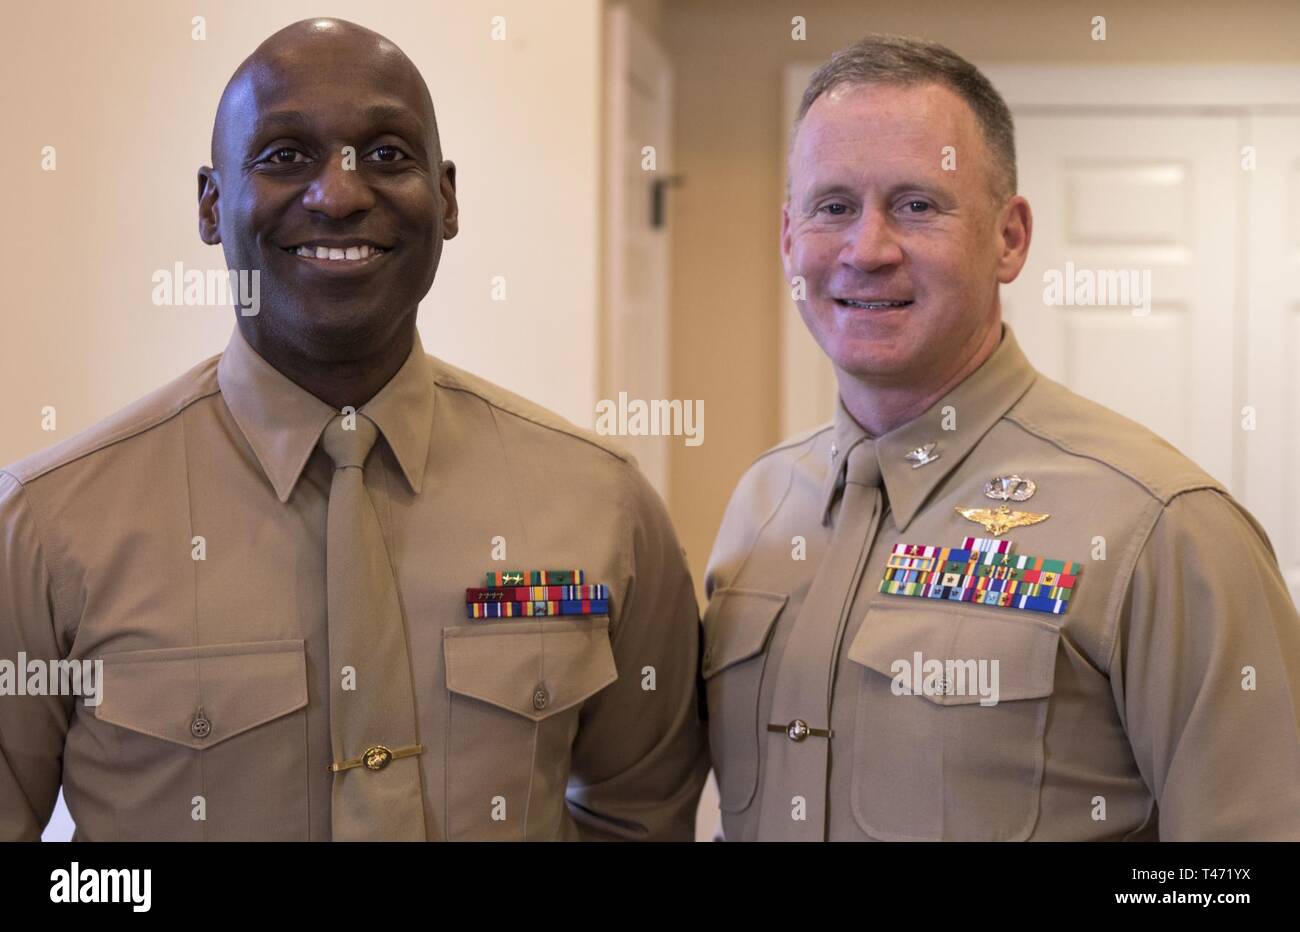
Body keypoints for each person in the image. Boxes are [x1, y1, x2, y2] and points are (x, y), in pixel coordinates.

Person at [0, 18, 707, 841]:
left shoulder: (602, 505)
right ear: (210, 202)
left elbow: (639, 815)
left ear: (445, 199)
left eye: (386, 155)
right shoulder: (46, 527)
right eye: (284, 155)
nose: (338, 195)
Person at [703, 34, 1300, 841]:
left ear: (1009, 238)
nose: (867, 249)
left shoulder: (1162, 527)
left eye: (917, 205)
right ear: (788, 240)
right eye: (833, 206)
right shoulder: (762, 506)